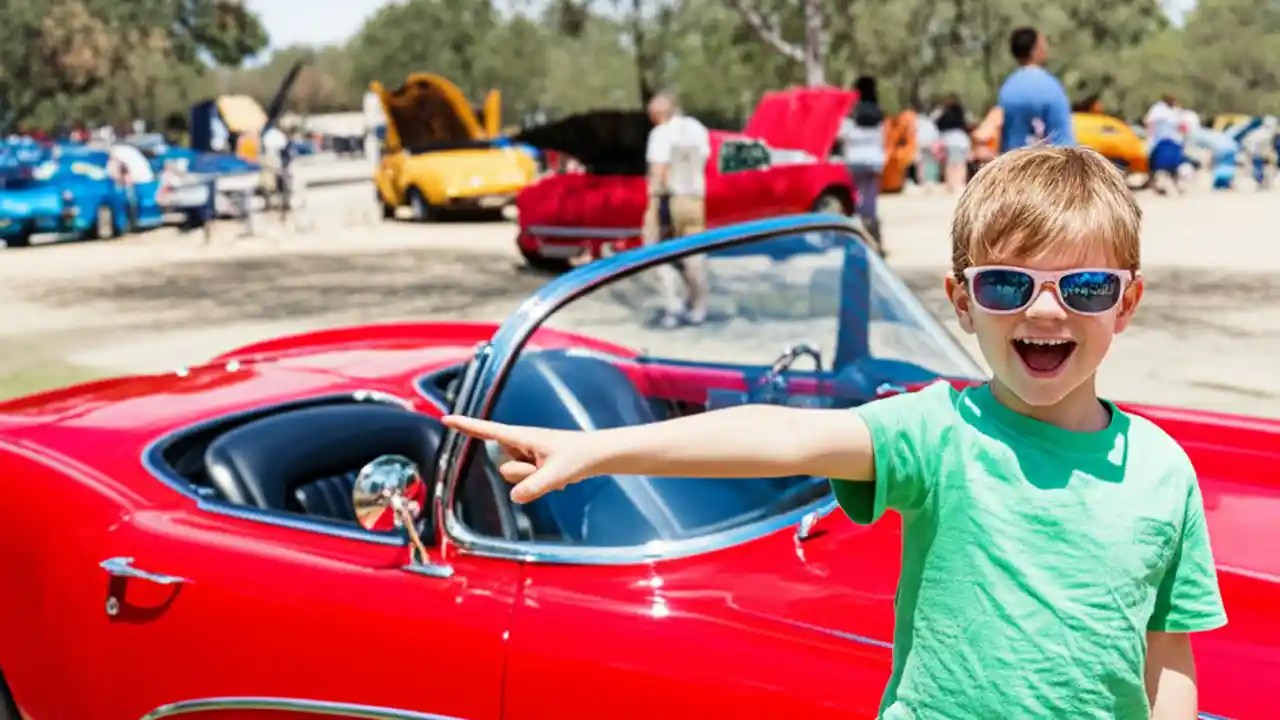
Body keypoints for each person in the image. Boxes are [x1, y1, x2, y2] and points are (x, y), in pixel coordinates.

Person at [444, 146, 1226, 719]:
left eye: (1085, 286)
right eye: (1007, 284)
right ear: (961, 301)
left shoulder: (1163, 472)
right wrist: (600, 450)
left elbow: (1168, 655)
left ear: (1125, 304)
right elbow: (782, 437)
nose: (1045, 311)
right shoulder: (939, 431)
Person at [641, 90, 711, 328]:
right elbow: (705, 158)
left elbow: (659, 169)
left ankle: (674, 305)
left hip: (669, 199)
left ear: (659, 113)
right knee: (693, 255)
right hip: (695, 199)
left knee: (653, 253)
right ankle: (699, 305)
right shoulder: (696, 128)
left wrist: (652, 201)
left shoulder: (660, 134)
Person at [996, 27, 1075, 151]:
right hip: (1046, 165)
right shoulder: (1051, 88)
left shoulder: (1007, 90)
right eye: (1042, 45)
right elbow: (1062, 138)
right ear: (1034, 50)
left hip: (1014, 163)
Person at [839, 75, 887, 250]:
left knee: (856, 198)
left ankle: (857, 237)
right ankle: (874, 239)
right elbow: (882, 138)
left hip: (854, 159)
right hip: (874, 159)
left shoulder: (851, 111)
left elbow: (842, 134)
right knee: (870, 201)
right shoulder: (879, 112)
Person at [1145, 94, 1187, 195]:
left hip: (1161, 142)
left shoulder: (1157, 111)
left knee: (1154, 166)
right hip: (1169, 142)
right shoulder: (1169, 112)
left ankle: (1155, 185)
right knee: (1173, 166)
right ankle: (1172, 185)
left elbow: (1149, 124)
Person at [934, 92, 971, 192]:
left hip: (950, 141)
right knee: (960, 164)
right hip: (962, 140)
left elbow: (938, 125)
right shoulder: (960, 113)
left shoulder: (944, 115)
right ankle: (960, 184)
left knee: (951, 164)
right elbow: (966, 125)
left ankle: (951, 184)